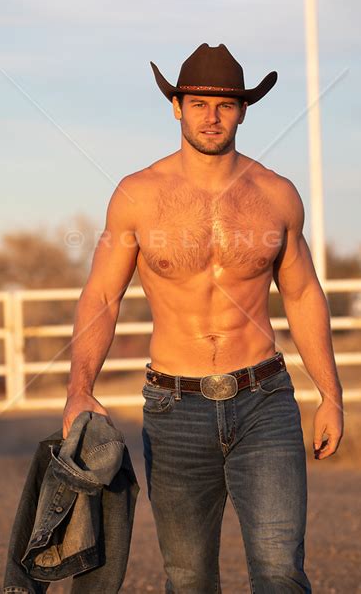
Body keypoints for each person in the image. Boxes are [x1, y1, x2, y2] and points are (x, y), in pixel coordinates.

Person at [63, 43, 344, 593]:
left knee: (281, 573)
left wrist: (330, 395)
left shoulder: (277, 196)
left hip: (264, 398)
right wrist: (79, 389)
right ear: (177, 107)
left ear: (243, 110)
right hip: (174, 407)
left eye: (224, 105)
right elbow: (101, 295)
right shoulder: (138, 195)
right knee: (189, 579)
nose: (211, 116)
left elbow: (304, 293)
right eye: (198, 104)